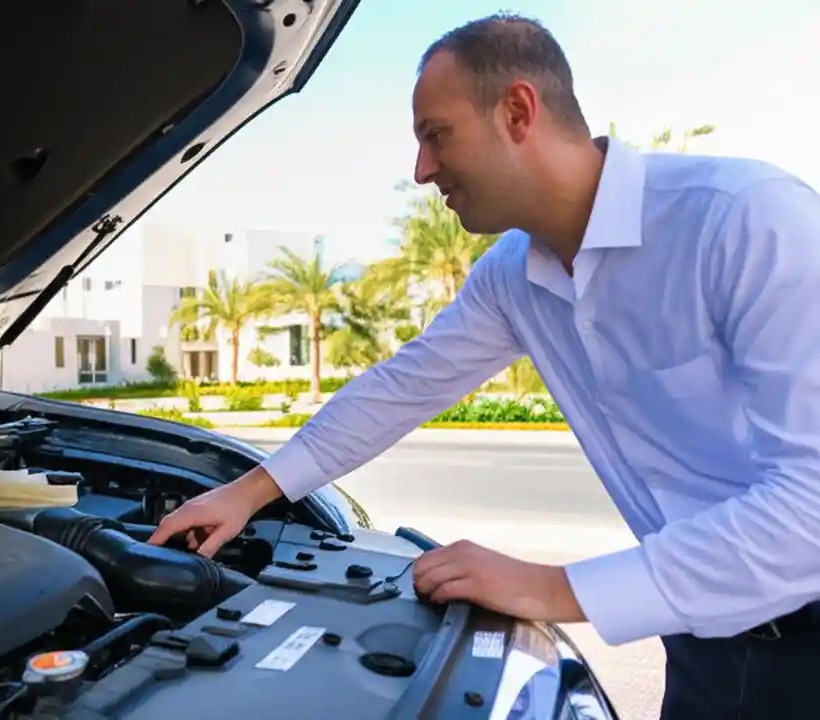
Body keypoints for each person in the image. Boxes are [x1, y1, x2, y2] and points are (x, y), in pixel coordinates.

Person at [147, 11, 820, 719]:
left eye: (435, 135)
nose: (420, 170)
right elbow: (401, 388)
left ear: (518, 111)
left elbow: (811, 504)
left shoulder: (746, 222)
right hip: (700, 642)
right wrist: (247, 493)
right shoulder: (512, 277)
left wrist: (550, 589)